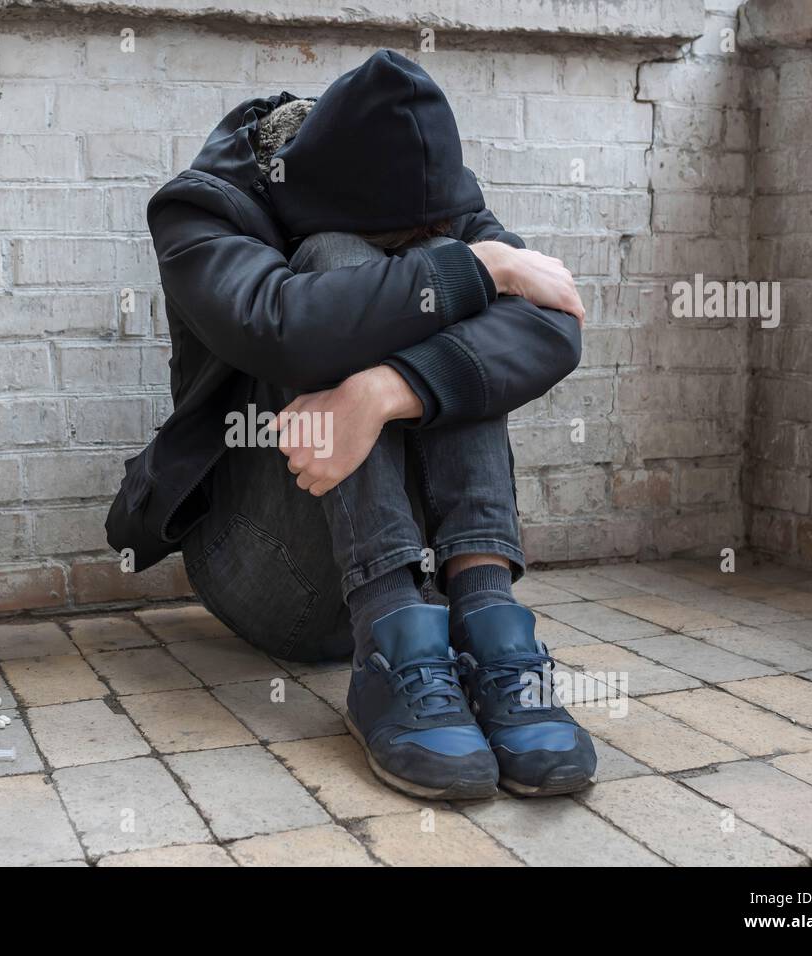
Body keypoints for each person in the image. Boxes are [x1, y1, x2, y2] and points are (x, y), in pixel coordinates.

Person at [107, 50, 597, 798]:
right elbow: (283, 329)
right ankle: (390, 647)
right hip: (272, 570)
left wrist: (383, 389)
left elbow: (554, 322)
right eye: (399, 234)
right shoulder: (202, 209)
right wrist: (478, 269)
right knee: (357, 267)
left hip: (434, 574)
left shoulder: (418, 186)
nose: (432, 234)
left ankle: (491, 626)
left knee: (444, 280)